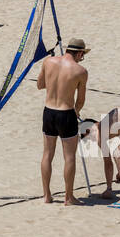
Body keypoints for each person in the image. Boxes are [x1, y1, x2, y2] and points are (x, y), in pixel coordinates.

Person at [36, 37, 89, 205]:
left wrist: (54, 83)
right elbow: (80, 101)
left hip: (49, 112)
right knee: (69, 157)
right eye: (83, 55)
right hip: (66, 114)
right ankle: (68, 197)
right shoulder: (80, 71)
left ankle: (46, 195)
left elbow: (40, 85)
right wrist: (77, 112)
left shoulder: (48, 61)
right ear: (79, 53)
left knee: (47, 154)